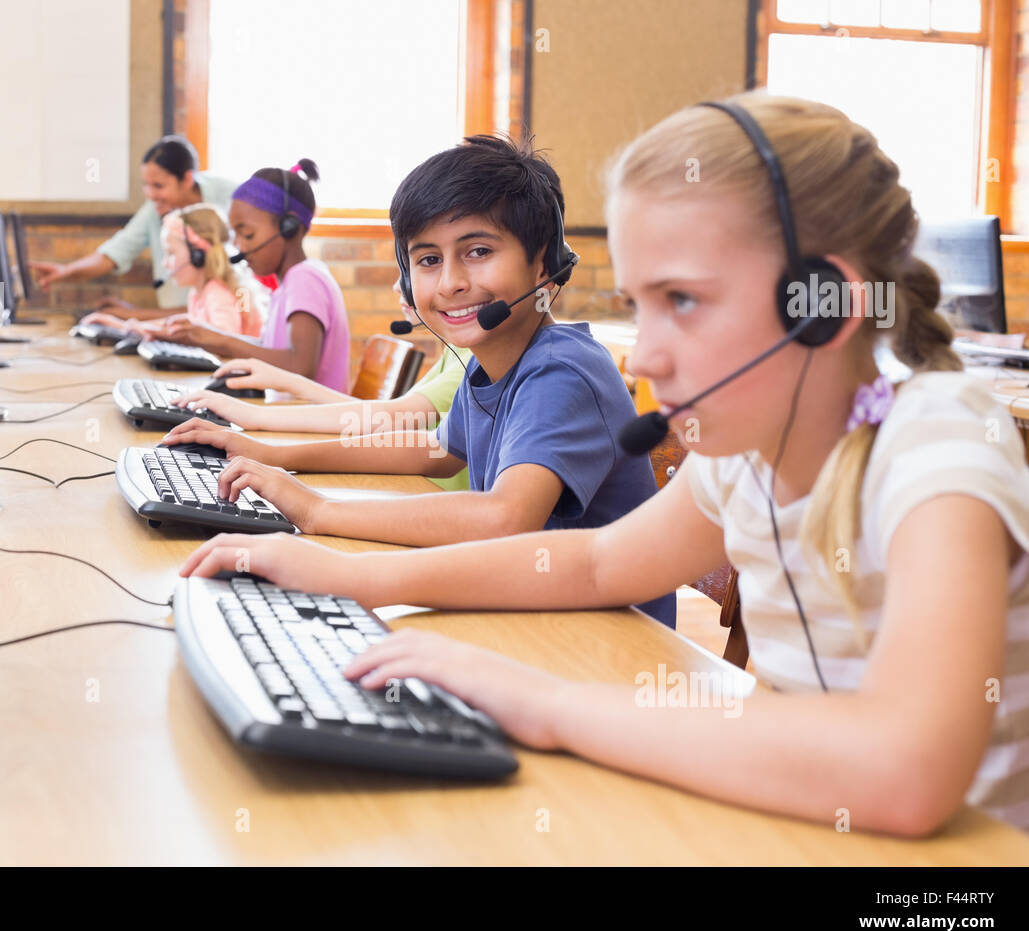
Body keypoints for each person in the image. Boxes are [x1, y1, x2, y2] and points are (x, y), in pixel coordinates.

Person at [175, 94, 1029, 839]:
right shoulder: (743, 447)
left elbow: (904, 772)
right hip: (806, 820)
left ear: (825, 303)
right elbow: (592, 560)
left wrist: (546, 705)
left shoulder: (938, 454)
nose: (649, 355)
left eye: (685, 302)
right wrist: (348, 578)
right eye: (640, 304)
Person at [166, 134, 673, 626]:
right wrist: (273, 453)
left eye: (478, 251)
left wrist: (319, 512)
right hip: (532, 608)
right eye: (429, 260)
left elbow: (503, 518)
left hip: (604, 641)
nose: (451, 282)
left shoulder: (562, 369)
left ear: (544, 261)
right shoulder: (487, 363)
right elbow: (432, 451)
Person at [169, 281, 470, 490]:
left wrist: (257, 420)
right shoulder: (455, 352)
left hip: (429, 497)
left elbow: (390, 419)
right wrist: (289, 382)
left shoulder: (470, 359)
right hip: (418, 491)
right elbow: (390, 419)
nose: (396, 285)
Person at [142, 161, 352, 392]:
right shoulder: (289, 284)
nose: (240, 248)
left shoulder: (305, 279)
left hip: (309, 424)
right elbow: (269, 349)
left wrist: (221, 341)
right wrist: (204, 335)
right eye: (236, 236)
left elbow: (300, 366)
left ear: (289, 227)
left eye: (248, 235)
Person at [28, 135, 236, 319]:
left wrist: (134, 315)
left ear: (187, 179)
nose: (150, 194)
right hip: (181, 323)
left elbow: (216, 314)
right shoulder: (156, 208)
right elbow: (114, 252)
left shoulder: (231, 199)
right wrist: (65, 271)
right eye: (146, 184)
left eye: (158, 186)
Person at [82, 204, 263, 338]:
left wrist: (140, 329)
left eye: (171, 253)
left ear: (197, 255)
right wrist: (126, 326)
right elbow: (177, 325)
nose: (165, 263)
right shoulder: (198, 293)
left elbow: (224, 341)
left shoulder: (218, 294)